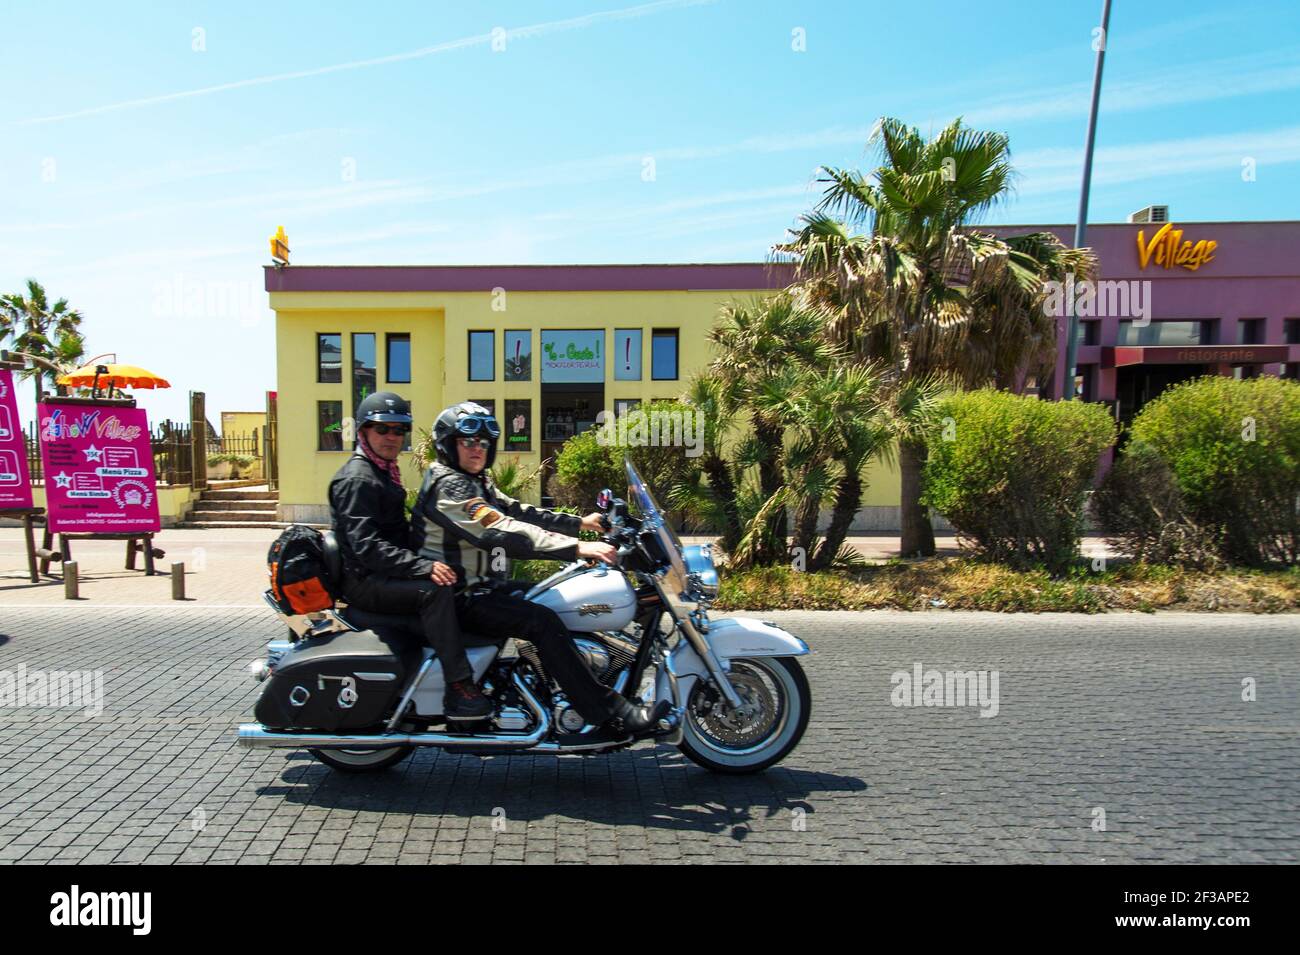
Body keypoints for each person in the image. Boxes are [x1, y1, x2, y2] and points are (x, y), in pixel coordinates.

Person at [410, 401, 668, 736]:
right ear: (448, 444)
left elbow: (518, 511)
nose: (477, 449)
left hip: (479, 586)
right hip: (458, 595)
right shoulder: (451, 486)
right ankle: (606, 712)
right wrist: (576, 547)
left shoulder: (474, 482)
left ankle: (548, 688)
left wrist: (581, 523)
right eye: (468, 441)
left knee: (550, 600)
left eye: (484, 443)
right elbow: (499, 528)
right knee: (541, 620)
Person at [327, 391, 492, 721]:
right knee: (434, 592)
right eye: (382, 428)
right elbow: (367, 546)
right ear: (364, 431)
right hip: (365, 581)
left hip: (381, 572)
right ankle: (460, 688)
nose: (392, 437)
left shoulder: (381, 471)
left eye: (399, 430)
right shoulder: (358, 478)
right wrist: (424, 566)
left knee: (454, 579)